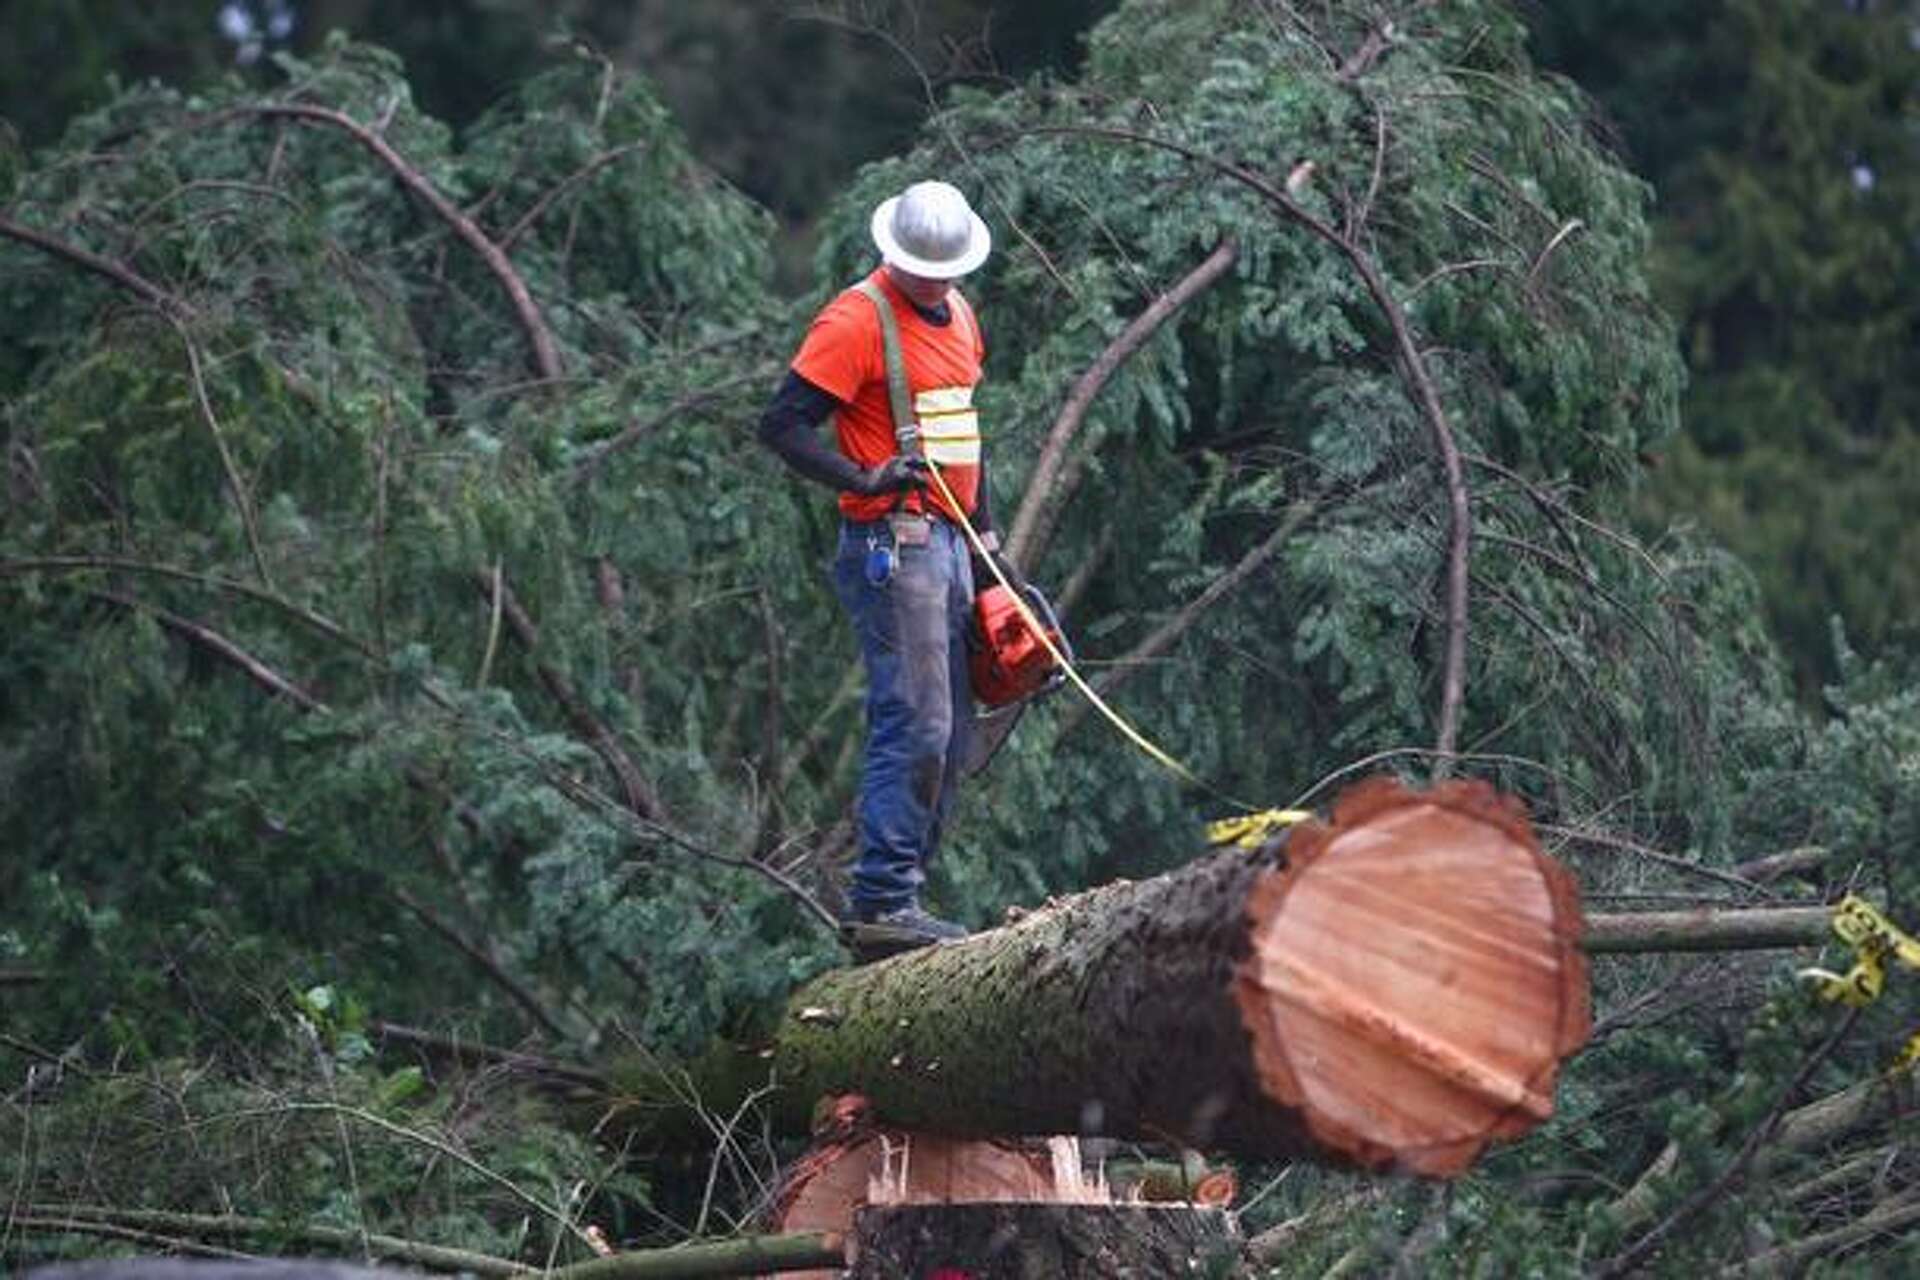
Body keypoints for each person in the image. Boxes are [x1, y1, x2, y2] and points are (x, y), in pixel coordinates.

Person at [757, 179, 1011, 950]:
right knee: (917, 718)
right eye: (920, 270)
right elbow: (783, 425)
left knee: (958, 724)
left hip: (954, 540)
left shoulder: (962, 316)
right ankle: (880, 901)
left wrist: (991, 551)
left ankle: (907, 900)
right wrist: (864, 478)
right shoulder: (856, 321)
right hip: (890, 545)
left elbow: (963, 438)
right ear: (891, 255)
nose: (932, 283)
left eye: (943, 271)